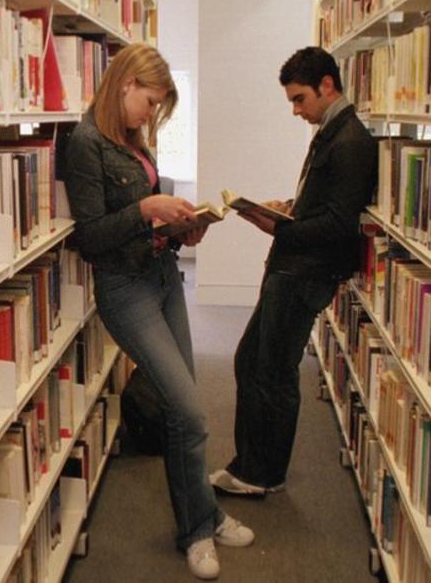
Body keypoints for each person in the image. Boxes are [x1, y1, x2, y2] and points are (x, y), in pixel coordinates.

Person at [64, 43, 255, 579]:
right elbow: (90, 235)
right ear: (125, 84)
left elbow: (143, 221)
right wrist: (145, 208)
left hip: (163, 275)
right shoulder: (85, 144)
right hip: (125, 289)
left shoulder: (131, 139)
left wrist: (179, 229)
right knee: (190, 411)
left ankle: (205, 514)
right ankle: (197, 530)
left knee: (182, 410)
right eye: (149, 102)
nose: (151, 114)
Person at [211, 46, 378, 496]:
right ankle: (251, 465)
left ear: (328, 85)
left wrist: (280, 227)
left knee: (273, 372)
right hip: (291, 268)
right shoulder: (332, 131)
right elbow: (323, 206)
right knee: (253, 361)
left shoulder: (352, 141)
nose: (296, 110)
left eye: (300, 99)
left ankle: (262, 474)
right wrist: (287, 209)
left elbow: (338, 225)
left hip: (305, 274)